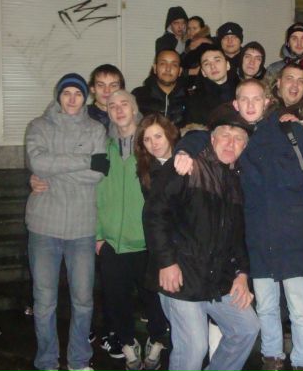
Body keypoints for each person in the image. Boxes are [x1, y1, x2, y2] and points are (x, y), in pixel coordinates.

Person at [174, 79, 303, 371]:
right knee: (265, 305)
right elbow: (203, 137)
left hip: (295, 235)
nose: (250, 105)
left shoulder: (290, 131)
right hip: (257, 238)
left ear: (267, 101)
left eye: (256, 99)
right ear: (236, 104)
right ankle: (272, 356)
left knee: (300, 308)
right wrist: (183, 150)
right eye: (244, 99)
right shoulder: (237, 136)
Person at [144, 104, 260, 371]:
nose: (231, 143)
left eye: (238, 139)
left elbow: (237, 235)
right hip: (181, 275)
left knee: (246, 327)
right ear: (212, 138)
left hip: (216, 277)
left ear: (244, 146)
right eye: (225, 135)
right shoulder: (187, 166)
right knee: (194, 347)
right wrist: (166, 262)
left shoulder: (235, 181)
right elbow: (154, 213)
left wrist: (242, 273)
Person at [25, 73, 108, 371]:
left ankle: (78, 360)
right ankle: (47, 361)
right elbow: (37, 163)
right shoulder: (38, 126)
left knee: (83, 300)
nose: (72, 99)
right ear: (58, 95)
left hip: (82, 228)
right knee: (44, 301)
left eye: (78, 93)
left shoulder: (96, 129)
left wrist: (54, 169)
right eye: (66, 93)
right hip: (43, 226)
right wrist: (84, 161)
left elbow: (99, 173)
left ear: (85, 97)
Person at [95, 89, 149, 371]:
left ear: (134, 108)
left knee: (153, 299)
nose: (118, 109)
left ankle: (156, 344)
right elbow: (95, 191)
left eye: (123, 104)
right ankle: (128, 346)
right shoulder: (102, 148)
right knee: (116, 301)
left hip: (145, 241)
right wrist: (98, 234)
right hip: (112, 242)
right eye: (112, 106)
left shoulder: (149, 143)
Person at [135, 113, 180, 371]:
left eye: (158, 136)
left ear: (169, 134)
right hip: (167, 251)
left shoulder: (188, 155)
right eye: (147, 139)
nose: (154, 143)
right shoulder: (148, 171)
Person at [185, 44, 238, 127]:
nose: (213, 66)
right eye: (206, 64)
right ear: (203, 72)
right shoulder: (196, 101)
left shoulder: (243, 92)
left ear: (228, 65)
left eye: (217, 60)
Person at [132, 49, 187, 127]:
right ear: (155, 68)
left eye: (174, 65)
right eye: (163, 63)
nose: (168, 69)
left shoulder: (190, 98)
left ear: (180, 71)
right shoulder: (138, 95)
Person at [87, 64, 125, 129]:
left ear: (121, 90)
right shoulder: (82, 115)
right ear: (92, 89)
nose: (107, 91)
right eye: (101, 85)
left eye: (113, 86)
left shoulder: (130, 116)